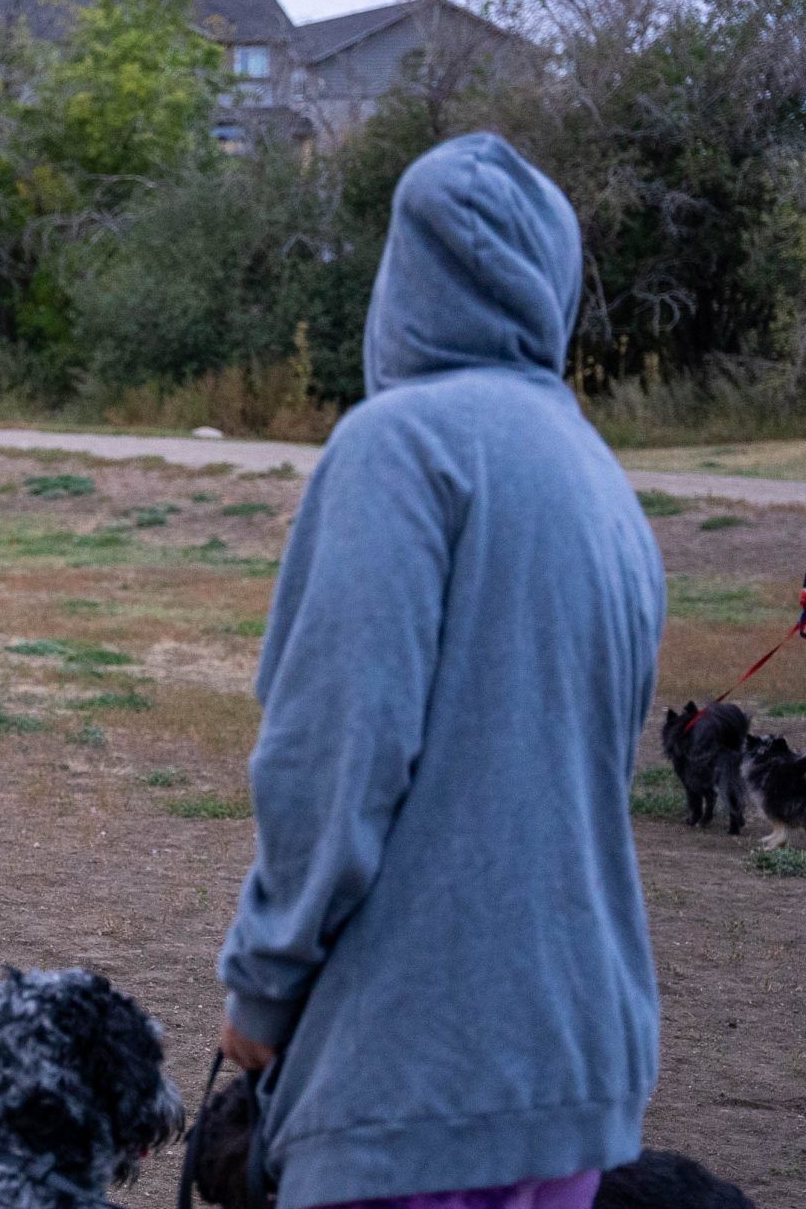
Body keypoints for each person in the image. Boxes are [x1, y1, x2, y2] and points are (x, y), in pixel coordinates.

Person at [214, 134, 665, 1209]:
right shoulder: (600, 477)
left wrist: (262, 983)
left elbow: (333, 747)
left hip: (412, 1079)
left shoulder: (398, 445)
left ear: (400, 283)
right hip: (574, 1076)